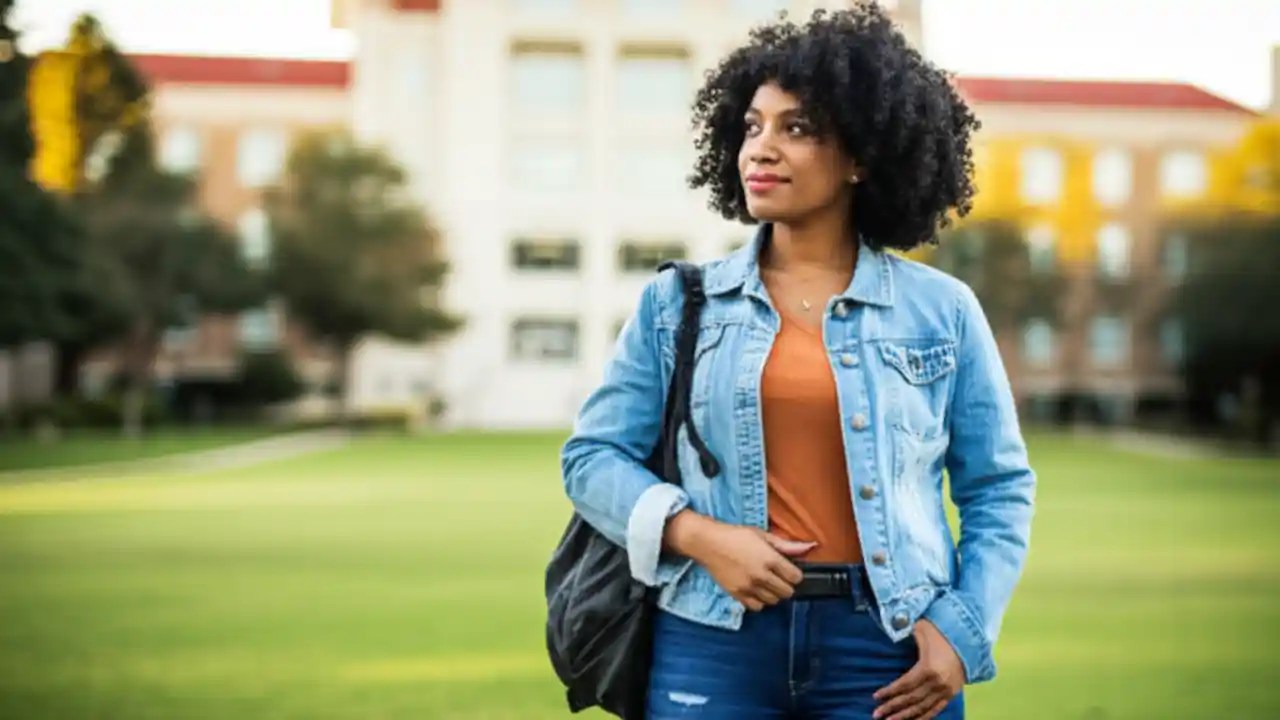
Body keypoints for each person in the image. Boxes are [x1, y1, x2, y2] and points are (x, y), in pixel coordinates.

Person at [561, 6, 1035, 719]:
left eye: (797, 128)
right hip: (710, 634)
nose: (761, 148)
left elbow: (997, 488)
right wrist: (700, 536)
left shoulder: (943, 310)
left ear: (863, 155)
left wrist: (963, 629)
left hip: (890, 644)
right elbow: (591, 458)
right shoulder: (677, 304)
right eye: (752, 126)